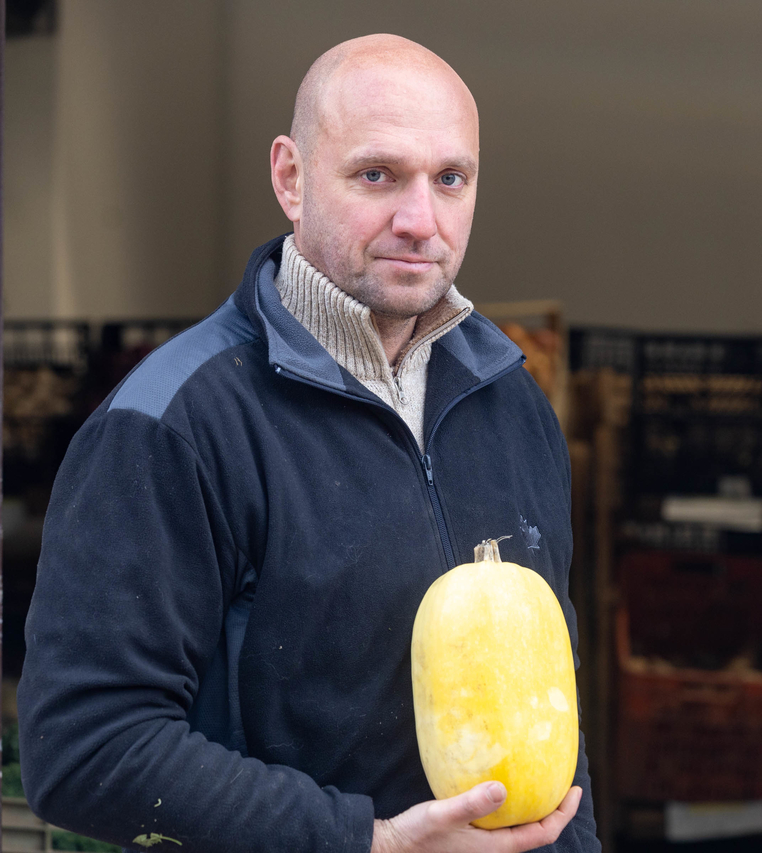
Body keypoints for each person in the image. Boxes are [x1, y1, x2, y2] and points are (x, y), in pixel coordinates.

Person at [18, 34, 599, 853]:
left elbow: (554, 712)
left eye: (450, 179)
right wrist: (369, 840)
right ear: (290, 178)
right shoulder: (169, 426)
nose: (419, 220)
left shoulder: (510, 402)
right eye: (377, 175)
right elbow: (83, 748)